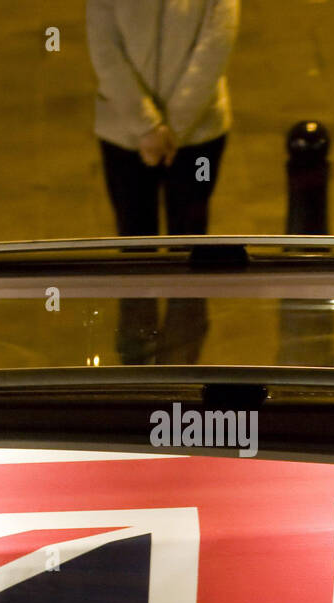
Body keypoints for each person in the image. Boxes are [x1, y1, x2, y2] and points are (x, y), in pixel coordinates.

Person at [87, 0, 240, 364]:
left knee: (189, 247)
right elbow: (104, 48)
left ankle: (182, 367)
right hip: (126, 135)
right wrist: (148, 125)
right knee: (134, 246)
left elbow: (215, 47)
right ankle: (136, 365)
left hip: (197, 135)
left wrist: (169, 128)